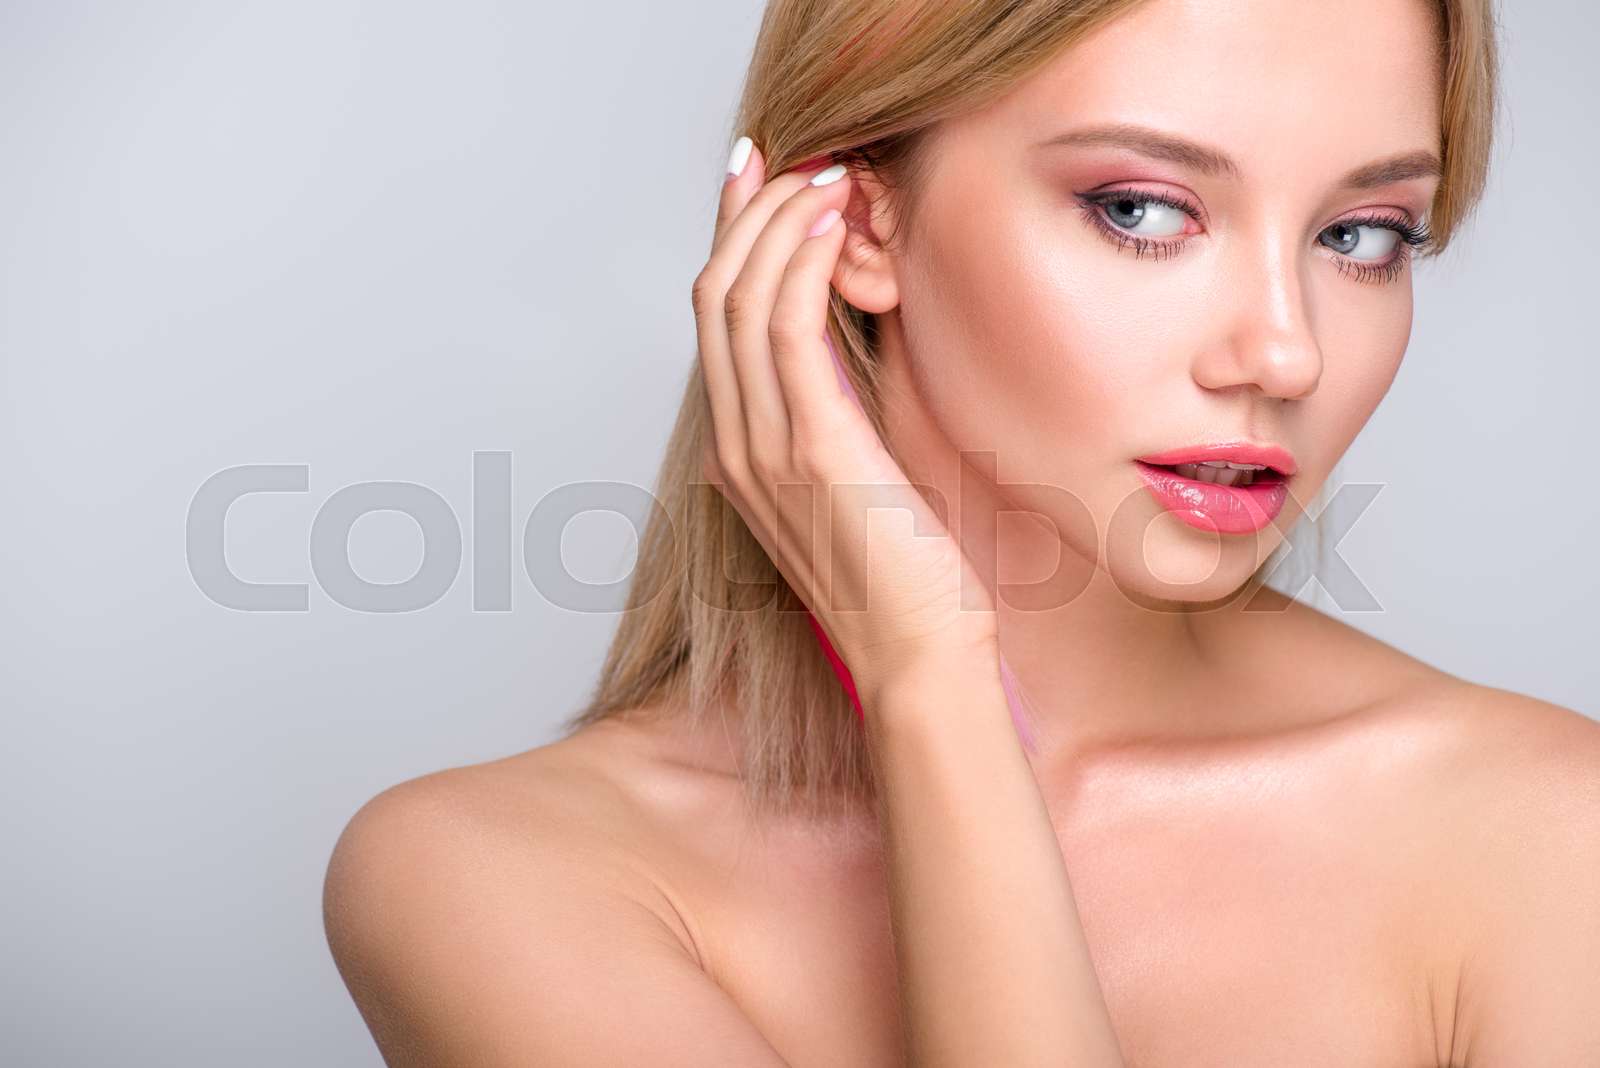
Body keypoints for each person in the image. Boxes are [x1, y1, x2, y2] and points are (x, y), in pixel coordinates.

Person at [322, 0, 1600, 1063]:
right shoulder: (494, 879)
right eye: (1142, 210)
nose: (1285, 351)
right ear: (854, 223)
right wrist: (932, 683)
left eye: (1361, 236)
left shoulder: (1542, 831)